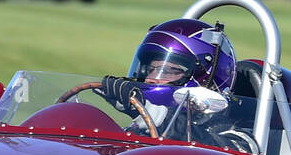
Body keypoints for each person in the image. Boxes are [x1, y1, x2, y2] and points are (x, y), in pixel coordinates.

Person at [95, 19, 239, 141]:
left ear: (204, 79)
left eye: (167, 71)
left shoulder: (234, 134)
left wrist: (152, 114)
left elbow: (211, 148)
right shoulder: (137, 129)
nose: (150, 79)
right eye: (149, 70)